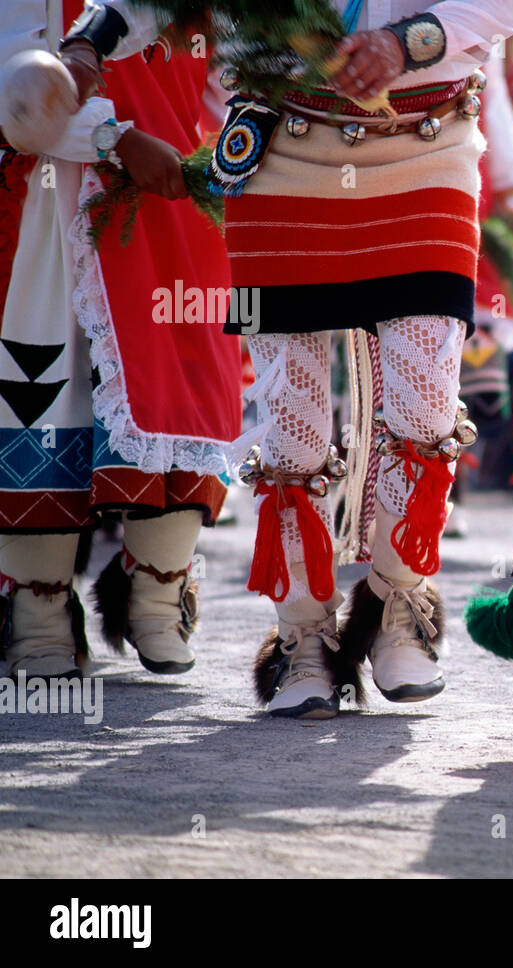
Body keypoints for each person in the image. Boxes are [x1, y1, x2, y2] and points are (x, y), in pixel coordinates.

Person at [68, 0, 513, 718]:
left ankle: (395, 600)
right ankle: (302, 637)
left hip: (429, 149)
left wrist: (403, 43)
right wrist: (91, 42)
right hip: (274, 159)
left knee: (429, 410)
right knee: (292, 425)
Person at [0, 0, 241, 681]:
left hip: (177, 197)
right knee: (42, 393)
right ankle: (38, 613)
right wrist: (113, 140)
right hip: (48, 199)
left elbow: (241, 71)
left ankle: (158, 594)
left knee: (191, 383)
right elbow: (13, 76)